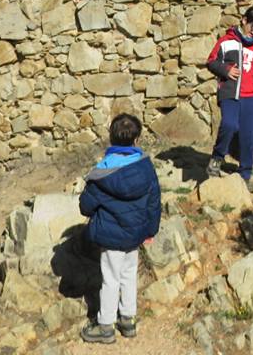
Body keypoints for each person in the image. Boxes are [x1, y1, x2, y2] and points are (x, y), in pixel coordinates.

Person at [78, 113, 161, 345]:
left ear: (111, 139)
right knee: (128, 275)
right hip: (135, 235)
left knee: (111, 279)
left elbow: (86, 206)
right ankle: (128, 320)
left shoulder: (102, 171)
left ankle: (105, 326)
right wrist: (150, 231)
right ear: (137, 140)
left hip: (110, 235)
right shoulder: (146, 167)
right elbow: (154, 202)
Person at [206, 7, 253, 191]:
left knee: (249, 136)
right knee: (229, 125)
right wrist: (226, 70)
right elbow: (211, 61)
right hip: (230, 93)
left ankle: (245, 175)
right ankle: (217, 158)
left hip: (252, 97)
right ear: (244, 20)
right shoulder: (226, 41)